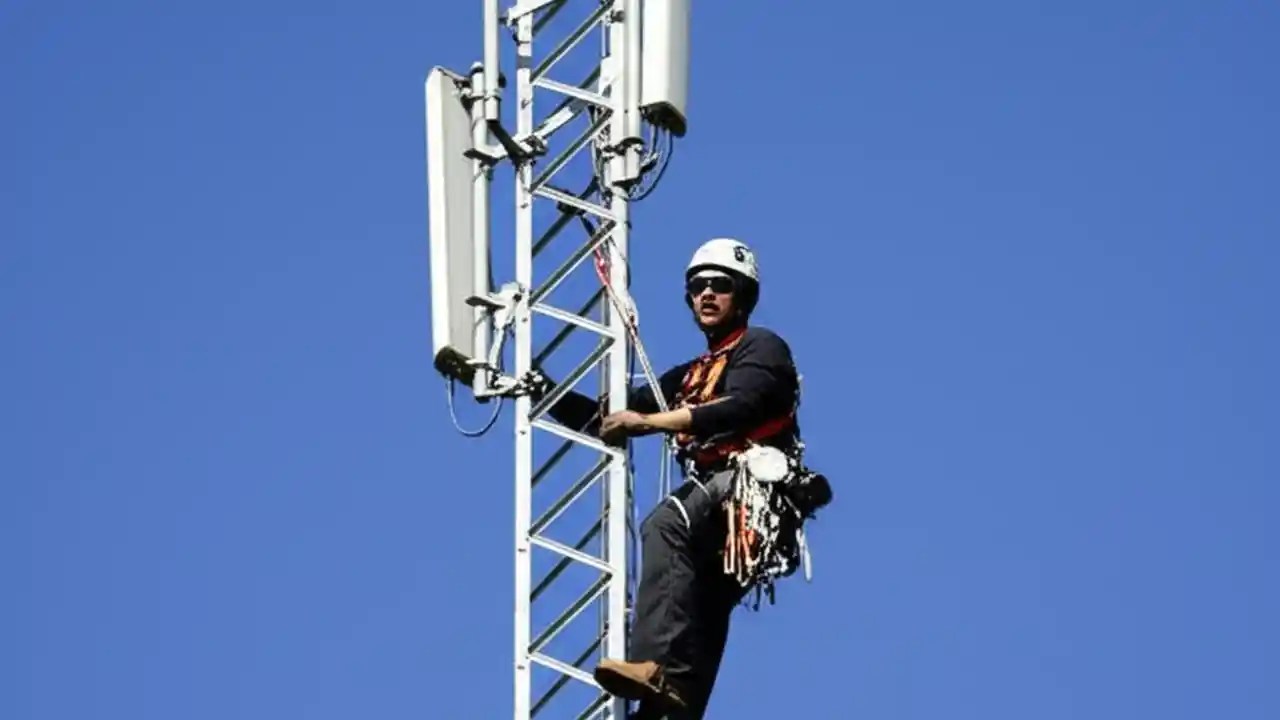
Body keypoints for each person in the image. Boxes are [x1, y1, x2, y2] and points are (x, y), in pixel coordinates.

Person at [534, 237, 804, 719]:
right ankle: (672, 706)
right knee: (698, 606)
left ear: (741, 295)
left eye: (720, 286)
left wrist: (651, 423)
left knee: (665, 523)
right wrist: (546, 393)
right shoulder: (693, 373)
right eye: (697, 286)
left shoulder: (762, 347)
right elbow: (613, 416)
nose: (706, 294)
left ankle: (653, 661)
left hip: (748, 491)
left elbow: (742, 406)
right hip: (719, 511)